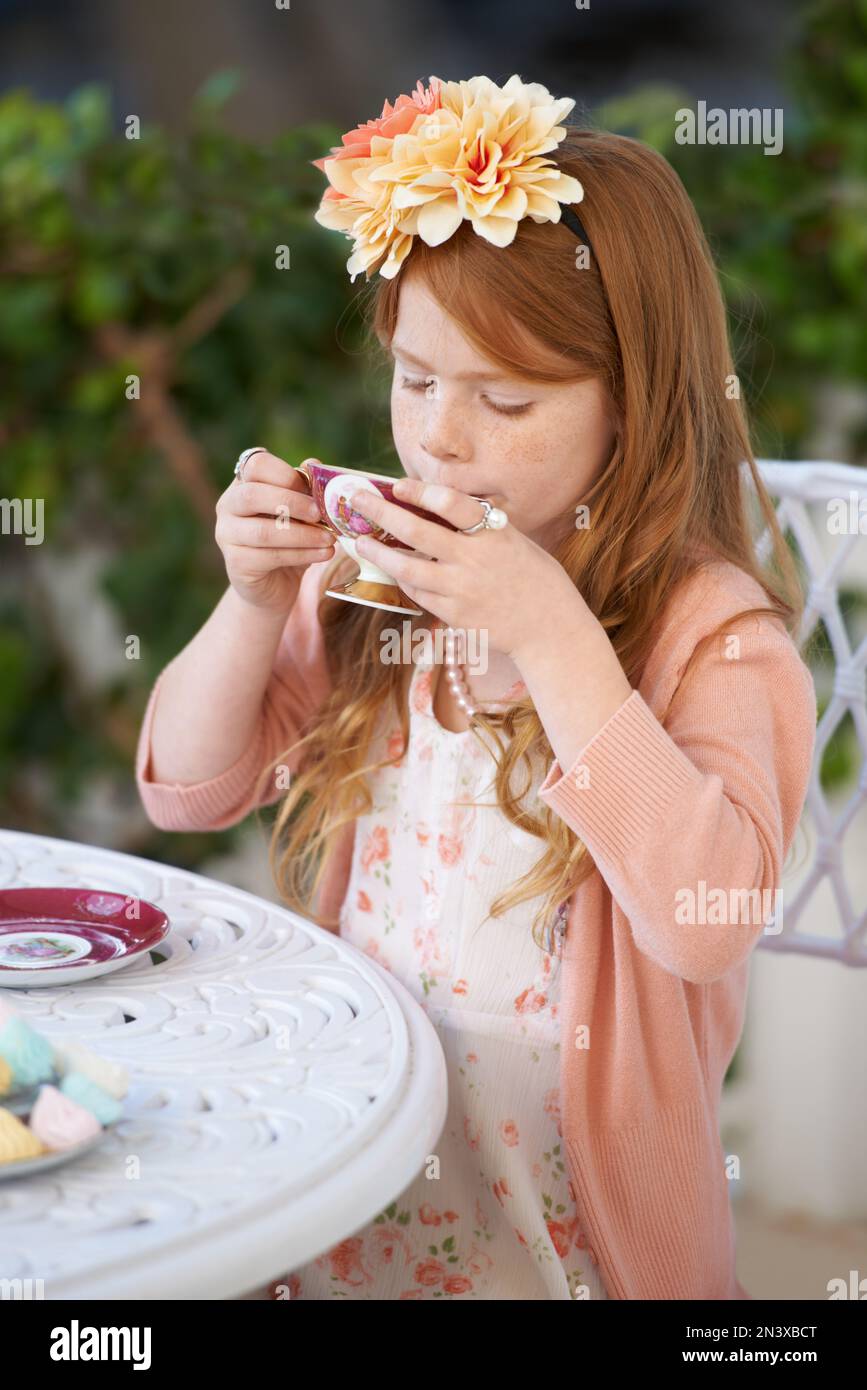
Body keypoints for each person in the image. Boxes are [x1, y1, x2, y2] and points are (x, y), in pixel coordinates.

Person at [135, 74, 817, 1300]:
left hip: (568, 1225)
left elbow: (707, 918)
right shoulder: (373, 582)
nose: (441, 438)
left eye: (504, 399)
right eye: (413, 380)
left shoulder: (713, 635)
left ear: (637, 404)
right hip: (370, 1166)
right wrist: (247, 599)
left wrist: (554, 636)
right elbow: (189, 789)